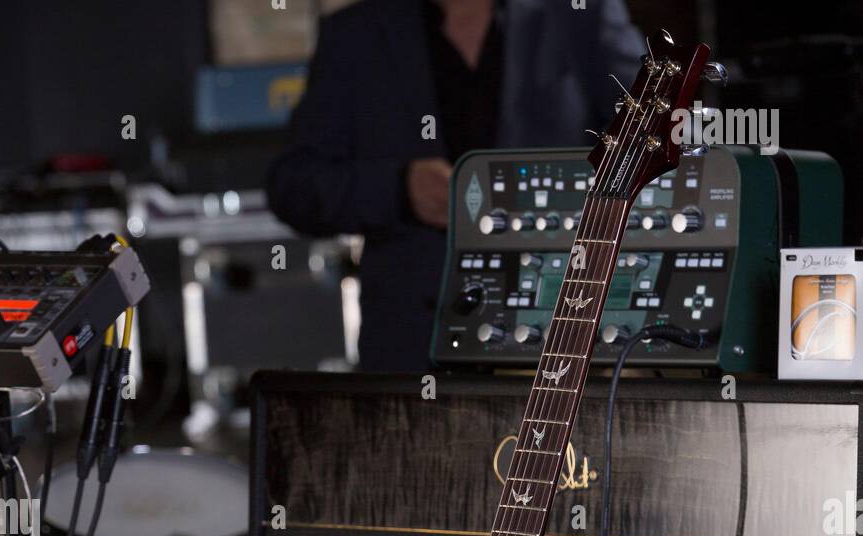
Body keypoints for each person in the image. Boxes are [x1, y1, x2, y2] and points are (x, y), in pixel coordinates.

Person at [268, 0, 643, 371]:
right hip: (411, 349)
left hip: (563, 337)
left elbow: (659, 150)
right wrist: (399, 189)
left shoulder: (583, 13)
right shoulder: (354, 34)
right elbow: (293, 186)